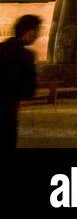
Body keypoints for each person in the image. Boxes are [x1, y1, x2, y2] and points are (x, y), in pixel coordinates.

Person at [1, 15, 40, 149]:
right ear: (29, 31)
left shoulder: (1, 48)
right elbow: (29, 90)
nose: (37, 35)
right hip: (8, 110)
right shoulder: (26, 56)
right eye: (37, 31)